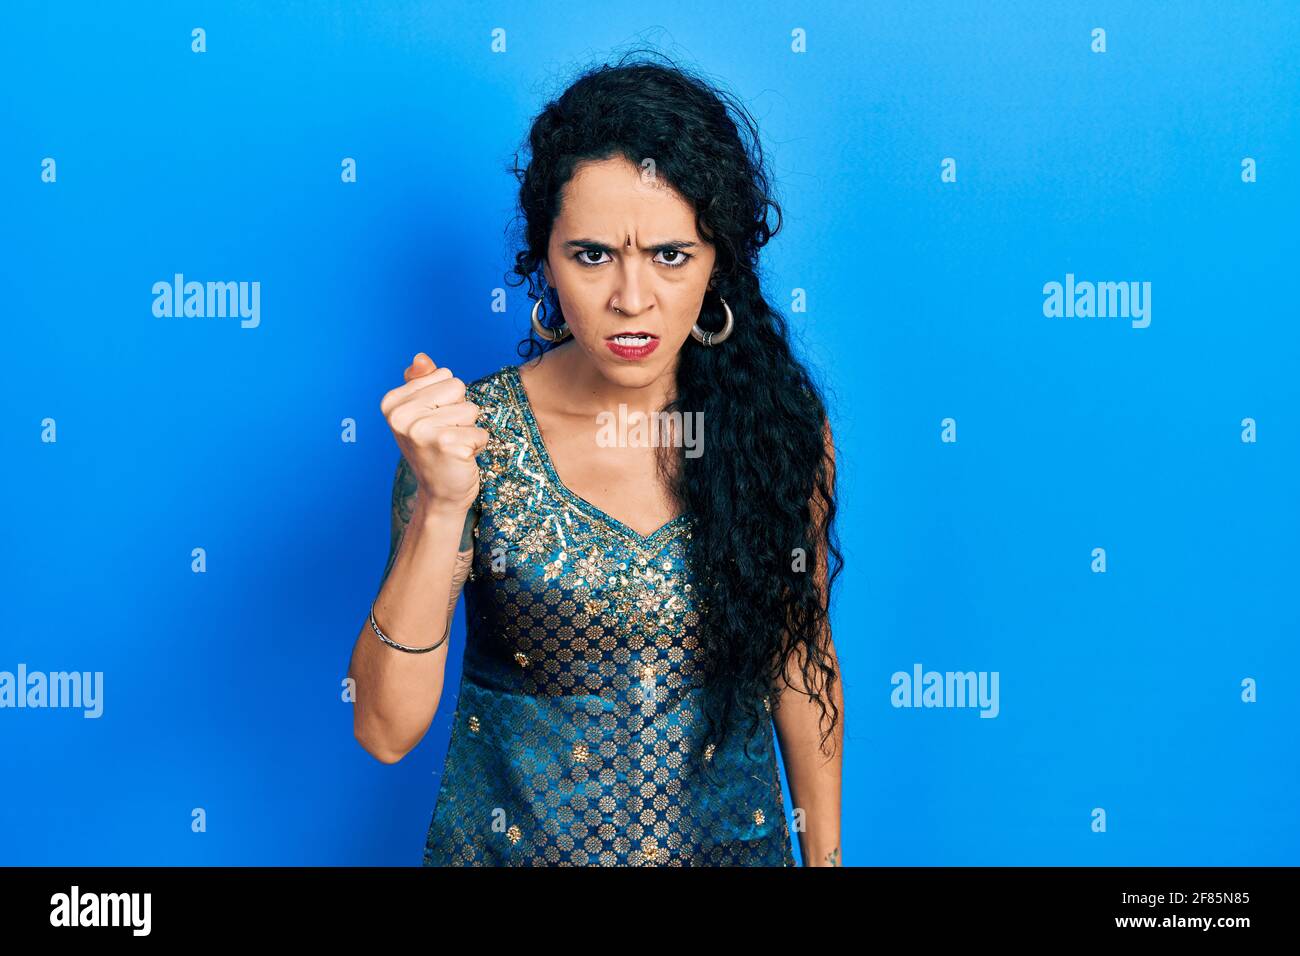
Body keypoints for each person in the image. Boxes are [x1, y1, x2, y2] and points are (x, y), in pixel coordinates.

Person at [346, 50, 845, 866]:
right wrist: (441, 504)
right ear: (543, 257)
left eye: (671, 255)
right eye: (592, 255)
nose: (632, 300)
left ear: (720, 260)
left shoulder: (775, 430)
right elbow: (384, 730)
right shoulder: (473, 437)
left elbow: (801, 657)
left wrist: (823, 860)